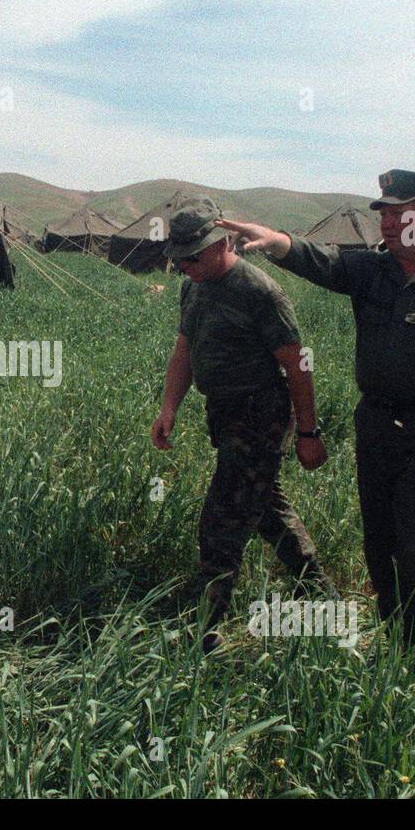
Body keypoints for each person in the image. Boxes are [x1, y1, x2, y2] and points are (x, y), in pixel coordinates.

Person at [217, 169, 415, 652]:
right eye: (385, 214)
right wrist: (276, 241)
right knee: (382, 549)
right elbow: (322, 261)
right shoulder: (371, 271)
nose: (389, 223)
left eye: (401, 212)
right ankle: (400, 648)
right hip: (377, 428)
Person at [152, 198, 334, 654]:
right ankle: (319, 589)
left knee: (223, 520)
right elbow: (185, 347)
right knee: (265, 507)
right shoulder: (193, 287)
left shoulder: (259, 292)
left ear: (223, 242)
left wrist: (309, 434)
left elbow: (298, 364)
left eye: (193, 255)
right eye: (179, 257)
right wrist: (170, 406)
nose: (185, 265)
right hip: (224, 413)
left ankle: (203, 631)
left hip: (260, 415)